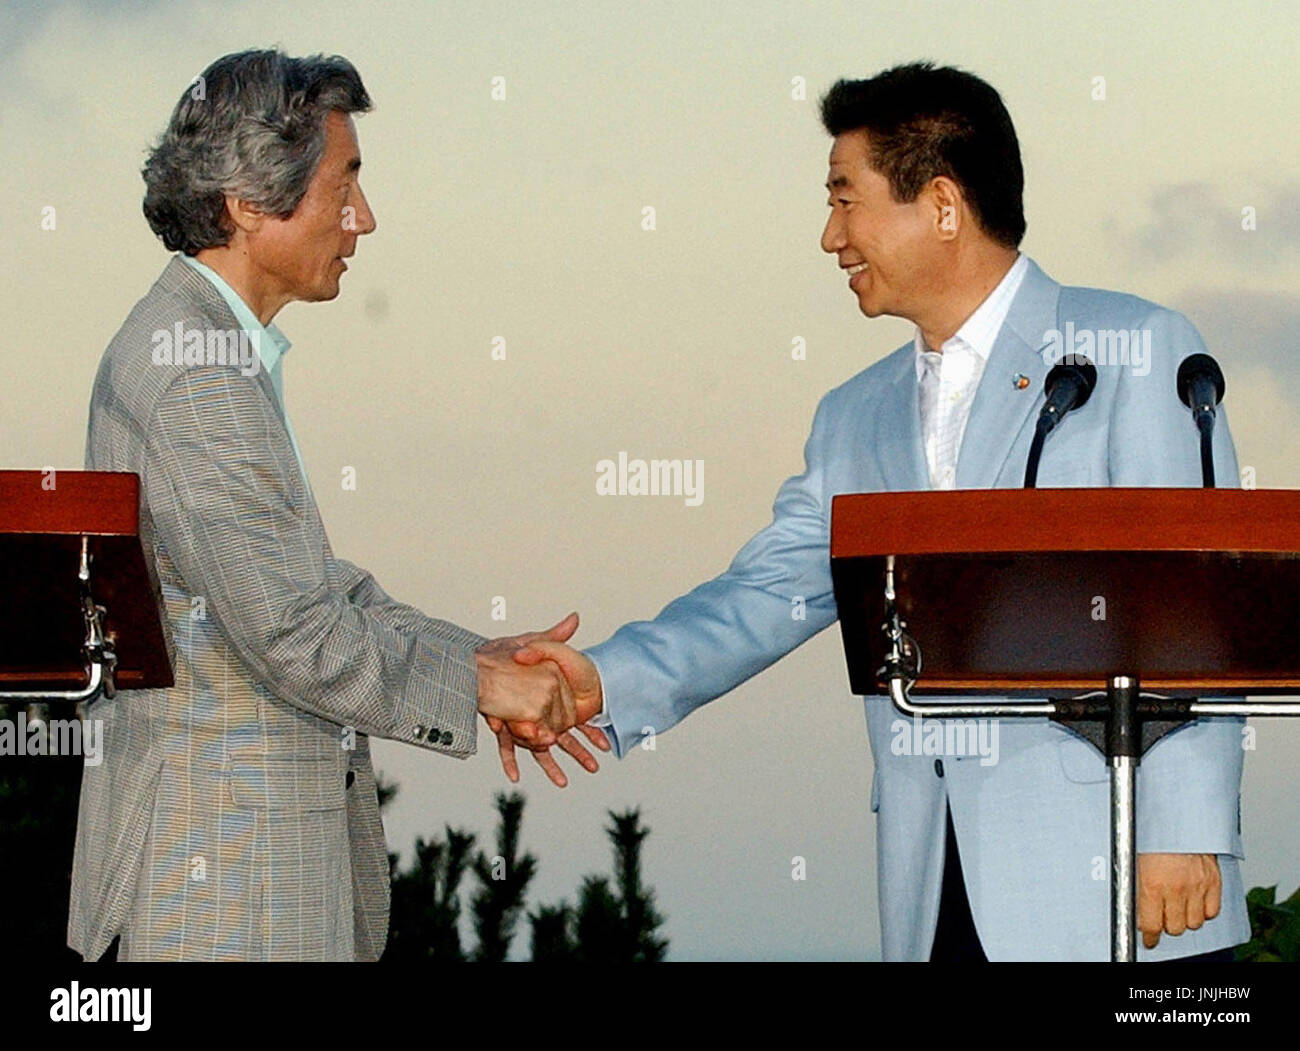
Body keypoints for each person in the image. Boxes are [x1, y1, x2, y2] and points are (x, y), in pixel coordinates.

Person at [493, 62, 1248, 962]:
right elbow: (765, 594)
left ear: (939, 204)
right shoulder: (852, 416)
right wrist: (601, 683)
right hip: (931, 888)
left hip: (1116, 871)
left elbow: (1199, 602)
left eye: (845, 200)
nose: (829, 237)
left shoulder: (1136, 350)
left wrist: (1185, 823)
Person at [69, 48, 600, 962]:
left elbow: (304, 592)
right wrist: (479, 686)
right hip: (228, 892)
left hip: (235, 882)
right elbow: (292, 634)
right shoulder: (196, 372)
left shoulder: (196, 347)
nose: (364, 218)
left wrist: (470, 654)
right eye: (342, 184)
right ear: (247, 201)